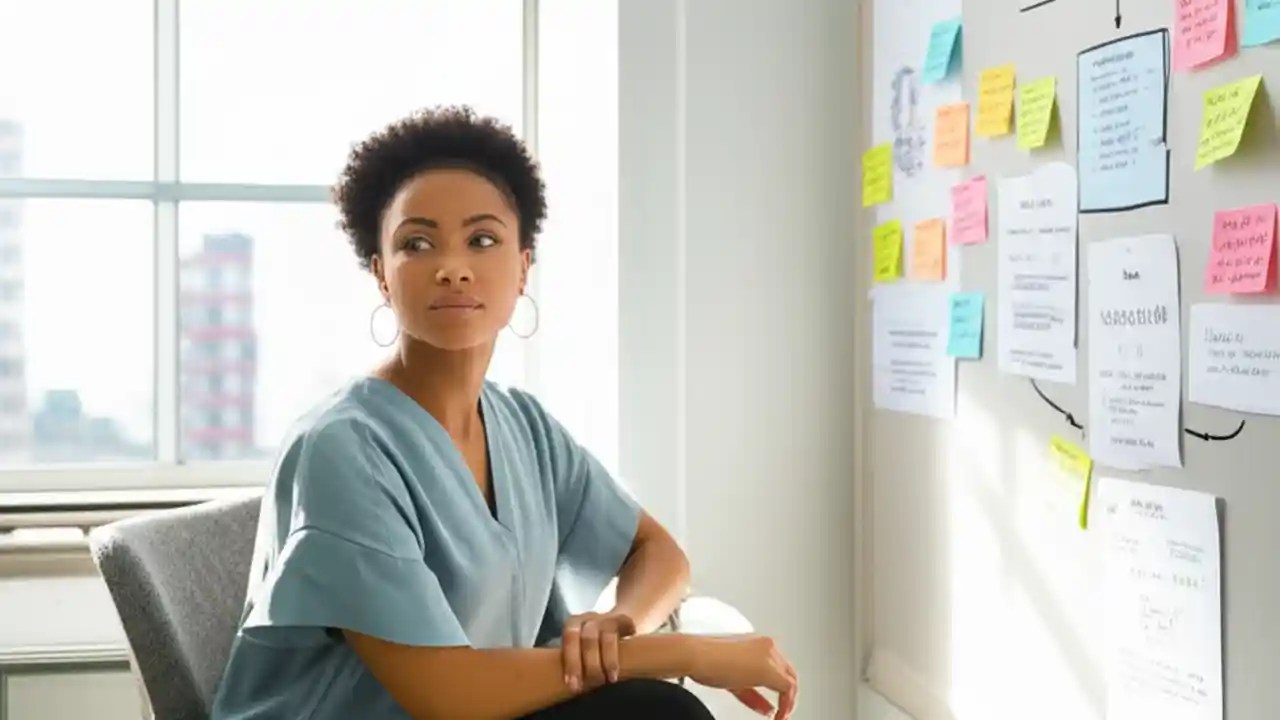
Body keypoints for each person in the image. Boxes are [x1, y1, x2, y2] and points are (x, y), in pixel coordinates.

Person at [210, 106, 799, 720]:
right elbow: (447, 693)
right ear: (382, 274)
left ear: (523, 267)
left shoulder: (524, 427)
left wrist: (620, 624)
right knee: (657, 710)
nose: (452, 266)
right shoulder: (345, 447)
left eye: (482, 239)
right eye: (417, 243)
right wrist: (683, 652)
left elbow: (658, 552)